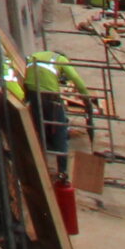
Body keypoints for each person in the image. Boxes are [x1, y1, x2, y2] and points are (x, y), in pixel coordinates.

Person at [24, 47, 91, 178]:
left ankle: (40, 164)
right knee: (61, 130)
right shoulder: (60, 59)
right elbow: (76, 79)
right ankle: (63, 171)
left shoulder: (34, 55)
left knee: (40, 128)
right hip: (50, 96)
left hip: (32, 94)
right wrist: (86, 99)